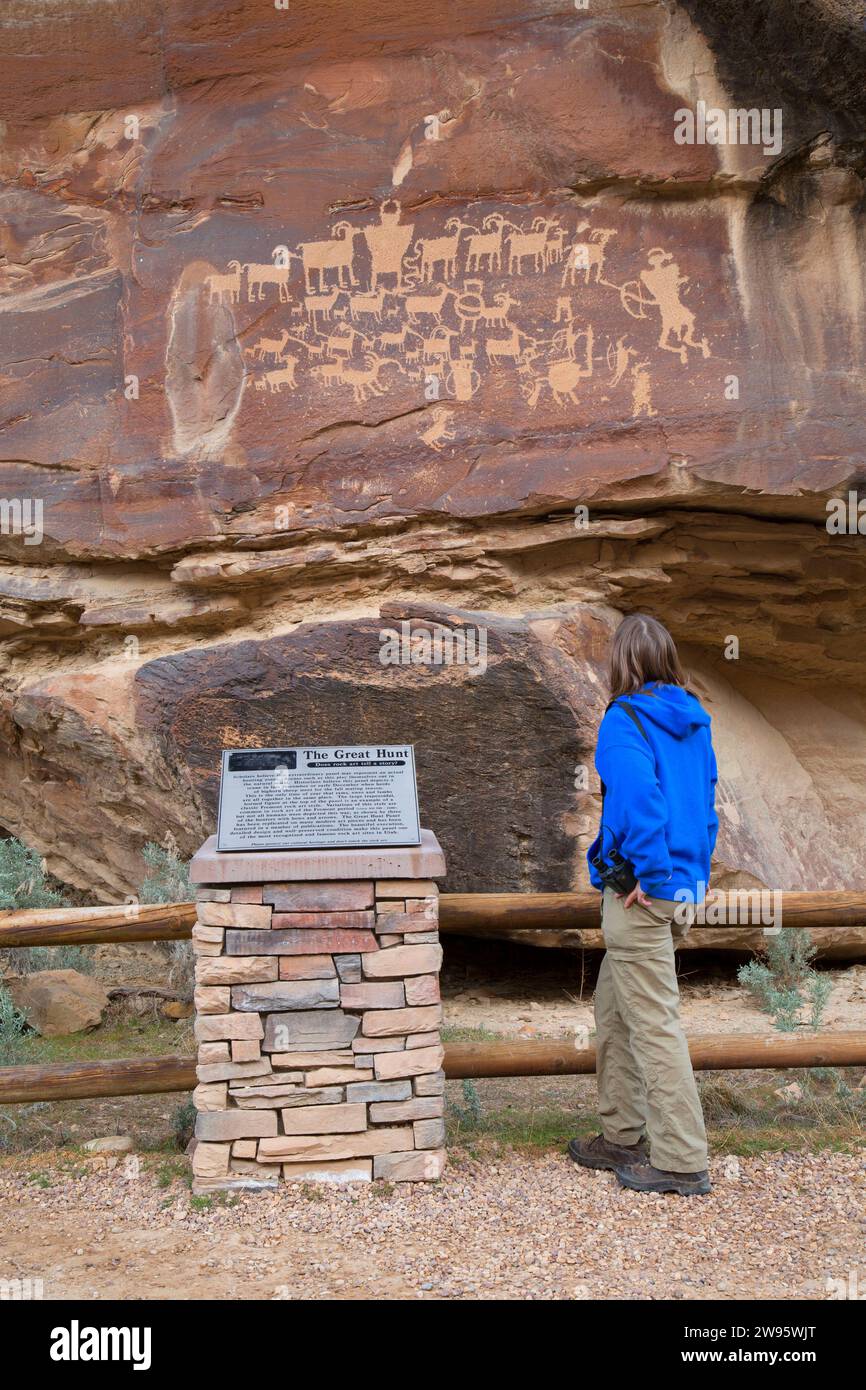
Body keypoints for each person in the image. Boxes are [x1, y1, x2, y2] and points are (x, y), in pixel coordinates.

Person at [568, 614, 718, 1196]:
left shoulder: (623, 718)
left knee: (654, 1023)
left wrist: (652, 876)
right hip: (680, 890)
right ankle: (622, 1134)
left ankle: (681, 1159)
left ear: (622, 662)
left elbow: (638, 801)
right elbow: (705, 807)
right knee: (616, 1011)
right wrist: (688, 879)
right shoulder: (694, 720)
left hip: (643, 894)